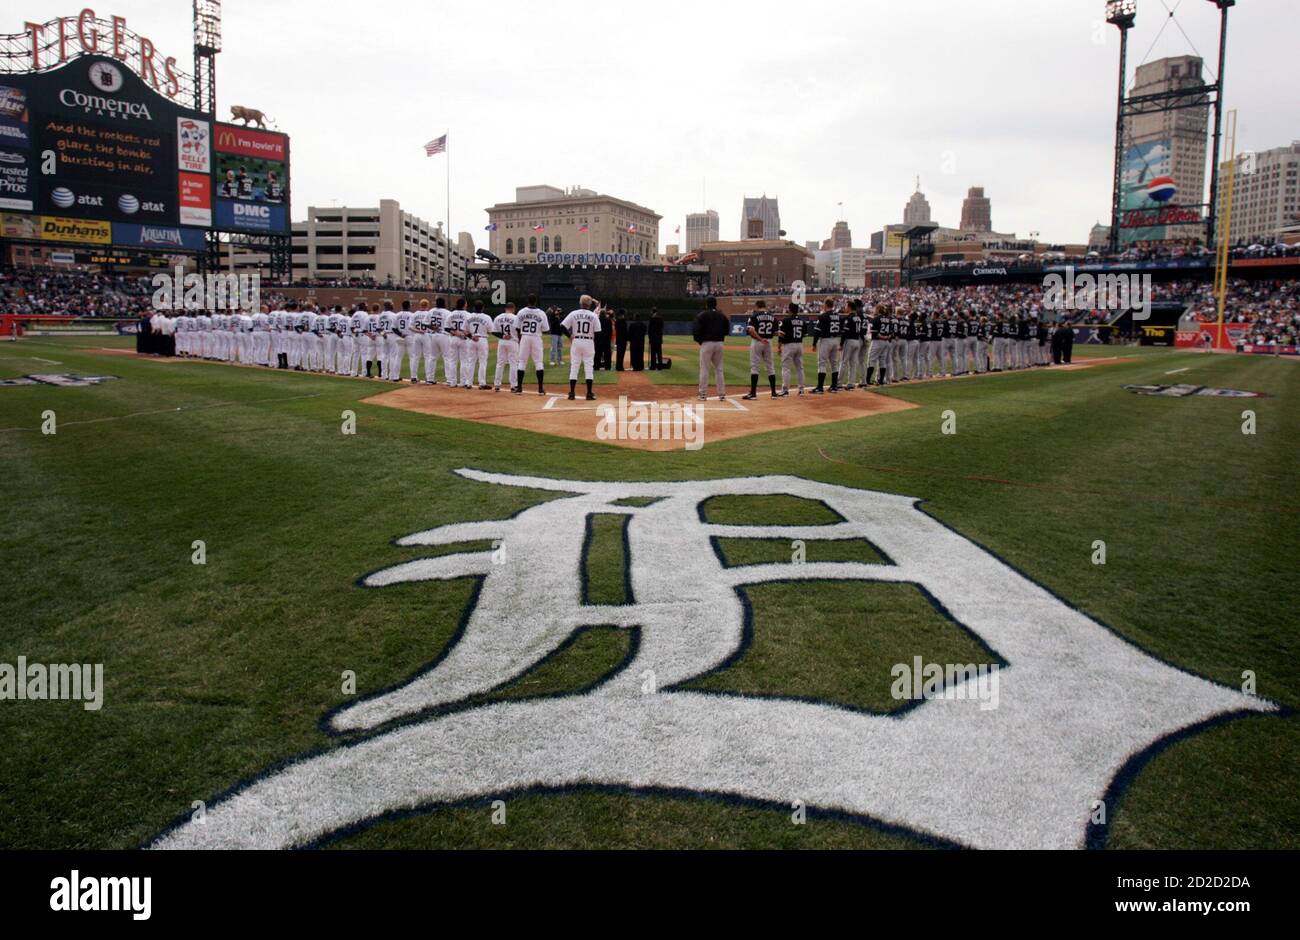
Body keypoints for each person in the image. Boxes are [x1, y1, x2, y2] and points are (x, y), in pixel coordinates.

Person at [561, 294, 601, 401]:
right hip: (588, 341)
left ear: (580, 303)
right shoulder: (593, 316)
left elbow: (563, 326)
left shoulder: (574, 313)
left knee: (574, 366)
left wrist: (569, 336)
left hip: (577, 341)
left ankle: (572, 393)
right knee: (589, 367)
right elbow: (598, 332)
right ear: (589, 304)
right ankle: (589, 393)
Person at [693, 296, 729, 401]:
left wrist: (700, 341)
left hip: (707, 343)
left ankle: (703, 394)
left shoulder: (702, 315)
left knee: (704, 368)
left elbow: (696, 331)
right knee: (719, 369)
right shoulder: (722, 315)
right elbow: (727, 329)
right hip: (719, 343)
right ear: (716, 304)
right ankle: (722, 394)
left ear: (706, 304)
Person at [513, 295, 550, 394]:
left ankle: (519, 388)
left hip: (524, 337)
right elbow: (546, 329)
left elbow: (517, 327)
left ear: (527, 301)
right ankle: (540, 389)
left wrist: (520, 339)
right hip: (536, 337)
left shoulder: (521, 312)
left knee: (521, 362)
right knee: (538, 362)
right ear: (536, 301)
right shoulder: (541, 313)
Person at [743, 299, 778, 400]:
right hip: (769, 342)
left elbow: (750, 330)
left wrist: (760, 339)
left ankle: (753, 393)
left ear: (757, 306)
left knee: (755, 367)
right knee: (770, 367)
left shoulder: (754, 316)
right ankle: (774, 393)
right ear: (765, 305)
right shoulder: (772, 316)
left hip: (758, 341)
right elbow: (775, 332)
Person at [811, 298, 841, 394]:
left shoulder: (823, 316)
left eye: (824, 304)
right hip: (835, 340)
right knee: (834, 364)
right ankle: (834, 387)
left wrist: (814, 343)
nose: (823, 305)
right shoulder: (837, 316)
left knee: (822, 363)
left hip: (826, 340)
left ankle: (820, 388)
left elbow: (817, 331)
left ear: (826, 305)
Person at [776, 302, 806, 396]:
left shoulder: (786, 320)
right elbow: (804, 334)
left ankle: (785, 390)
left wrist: (779, 346)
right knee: (800, 368)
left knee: (786, 368)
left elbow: (781, 334)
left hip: (789, 345)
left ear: (790, 309)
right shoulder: (802, 321)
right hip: (799, 344)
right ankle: (801, 390)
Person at [463, 301, 494, 389]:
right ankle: (482, 383)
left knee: (471, 361)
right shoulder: (487, 317)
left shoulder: (468, 316)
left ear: (474, 307)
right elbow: (490, 331)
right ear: (482, 308)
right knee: (482, 362)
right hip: (482, 339)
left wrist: (471, 336)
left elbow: (464, 331)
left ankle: (468, 383)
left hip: (471, 340)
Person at [491, 302, 519, 392]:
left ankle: (497, 385)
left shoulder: (498, 317)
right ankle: (513, 385)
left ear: (505, 308)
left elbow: (494, 331)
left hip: (502, 342)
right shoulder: (515, 318)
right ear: (513, 308)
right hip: (513, 342)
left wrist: (503, 336)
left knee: (500, 363)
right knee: (513, 363)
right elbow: (519, 331)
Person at [595, 306, 613, 370]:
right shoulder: (608, 321)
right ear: (605, 314)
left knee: (597, 354)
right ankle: (608, 367)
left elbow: (595, 331)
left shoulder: (597, 320)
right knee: (607, 354)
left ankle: (596, 366)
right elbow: (610, 331)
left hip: (598, 340)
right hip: (606, 340)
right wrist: (609, 338)